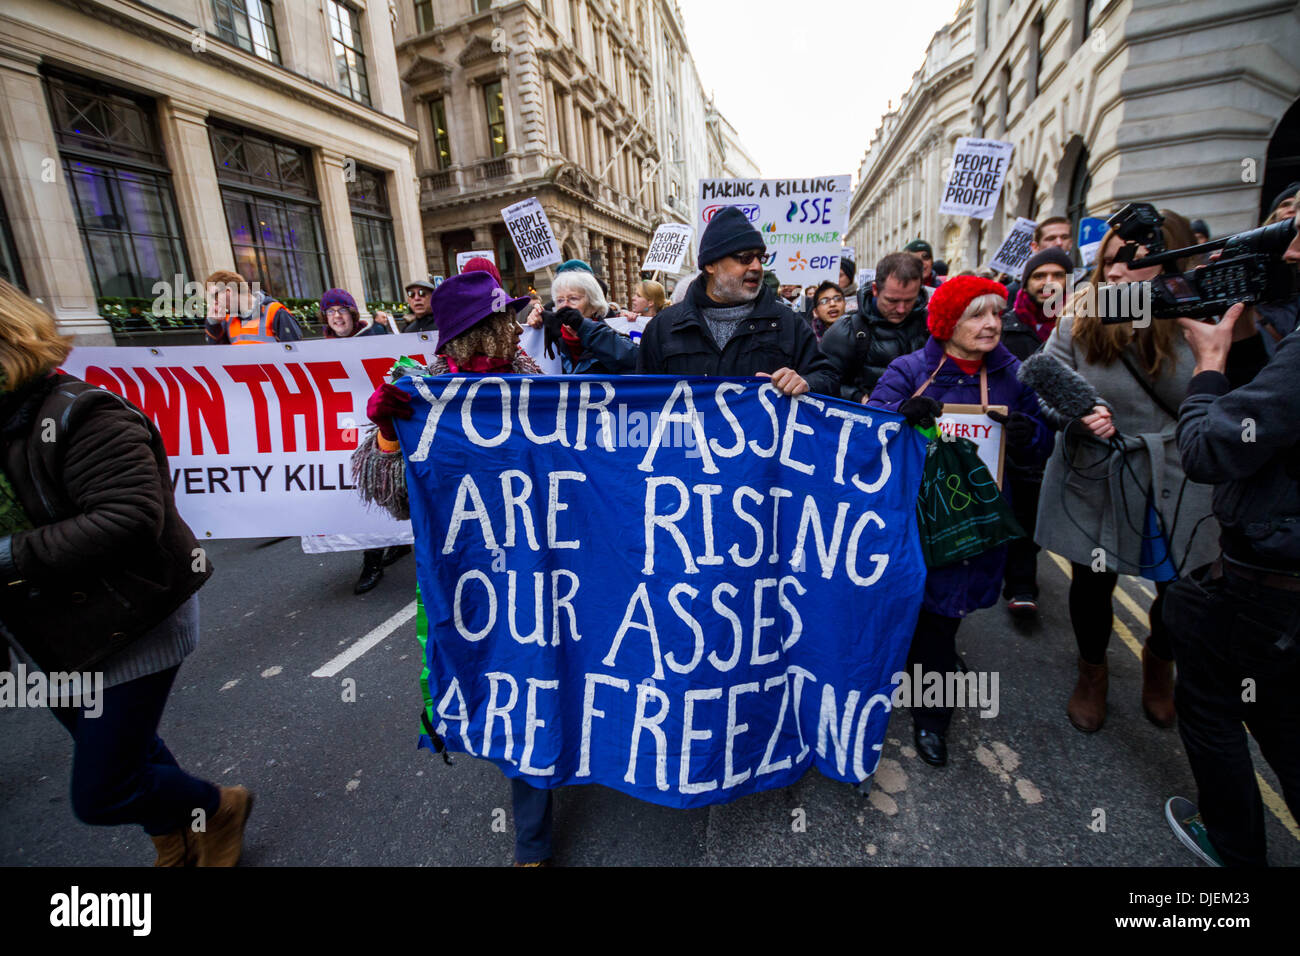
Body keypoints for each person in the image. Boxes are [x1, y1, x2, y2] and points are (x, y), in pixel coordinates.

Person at [0, 278, 252, 867]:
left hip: (130, 619)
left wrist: (9, 554)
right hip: (49, 633)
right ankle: (177, 835)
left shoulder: (81, 413)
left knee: (103, 790)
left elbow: (130, 517)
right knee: (123, 750)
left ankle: (218, 809)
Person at [358, 271, 553, 866]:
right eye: (499, 322)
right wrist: (392, 433)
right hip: (472, 569)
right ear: (472, 334)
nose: (511, 329)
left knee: (547, 672)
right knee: (507, 677)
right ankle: (533, 822)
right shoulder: (423, 391)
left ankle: (536, 830)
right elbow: (394, 497)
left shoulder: (532, 382)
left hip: (548, 561)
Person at [1034, 210, 1221, 734]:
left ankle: (1159, 662)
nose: (1114, 273)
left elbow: (1223, 399)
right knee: (1093, 580)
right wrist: (1074, 414)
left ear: (1171, 260)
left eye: (1131, 260)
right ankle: (1092, 672)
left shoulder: (1203, 317)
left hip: (1176, 474)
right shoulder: (1081, 314)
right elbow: (1046, 382)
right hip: (1098, 469)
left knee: (1180, 587)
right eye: (1109, 259)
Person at [1160, 202, 1300, 867]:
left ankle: (1236, 847)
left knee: (1215, 701)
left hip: (1268, 587)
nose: (1290, 249)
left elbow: (1209, 448)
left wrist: (1209, 365)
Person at [868, 275, 1051, 766]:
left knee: (944, 618)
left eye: (997, 313)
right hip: (910, 518)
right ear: (948, 322)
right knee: (915, 615)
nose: (993, 324)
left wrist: (1025, 429)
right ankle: (912, 676)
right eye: (978, 314)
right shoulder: (909, 369)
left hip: (971, 524)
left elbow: (1041, 449)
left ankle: (932, 719)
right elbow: (868, 431)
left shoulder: (1015, 374)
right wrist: (899, 416)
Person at [636, 206, 836, 397]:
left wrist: (805, 383)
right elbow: (644, 397)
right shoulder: (664, 328)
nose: (757, 267)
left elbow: (828, 379)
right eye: (745, 258)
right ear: (711, 265)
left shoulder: (788, 324)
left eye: (760, 257)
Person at [316, 287, 412, 593]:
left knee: (382, 485)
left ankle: (374, 560)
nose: (336, 317)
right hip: (342, 426)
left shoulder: (374, 338)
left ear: (353, 314)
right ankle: (385, 549)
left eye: (342, 310)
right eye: (330, 312)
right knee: (359, 490)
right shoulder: (321, 347)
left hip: (377, 426)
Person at [999, 248, 1074, 618]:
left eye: (1058, 275)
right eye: (1039, 275)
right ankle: (1021, 583)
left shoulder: (1086, 322)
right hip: (1025, 436)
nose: (1049, 283)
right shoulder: (1008, 327)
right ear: (1026, 283)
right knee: (1024, 511)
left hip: (1074, 438)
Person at [820, 252, 930, 402]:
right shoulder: (847, 330)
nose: (901, 309)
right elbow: (822, 382)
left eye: (909, 300)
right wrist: (858, 398)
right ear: (875, 289)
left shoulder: (931, 326)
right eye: (892, 300)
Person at [544, 268, 638, 374]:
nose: (565, 305)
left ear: (593, 305)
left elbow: (634, 361)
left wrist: (583, 327)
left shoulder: (611, 335)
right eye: (560, 300)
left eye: (573, 298)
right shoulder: (549, 338)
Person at [204, 269, 301, 345]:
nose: (214, 302)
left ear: (228, 292)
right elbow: (219, 357)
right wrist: (213, 325)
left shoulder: (276, 312)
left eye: (215, 296)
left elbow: (295, 355)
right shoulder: (227, 319)